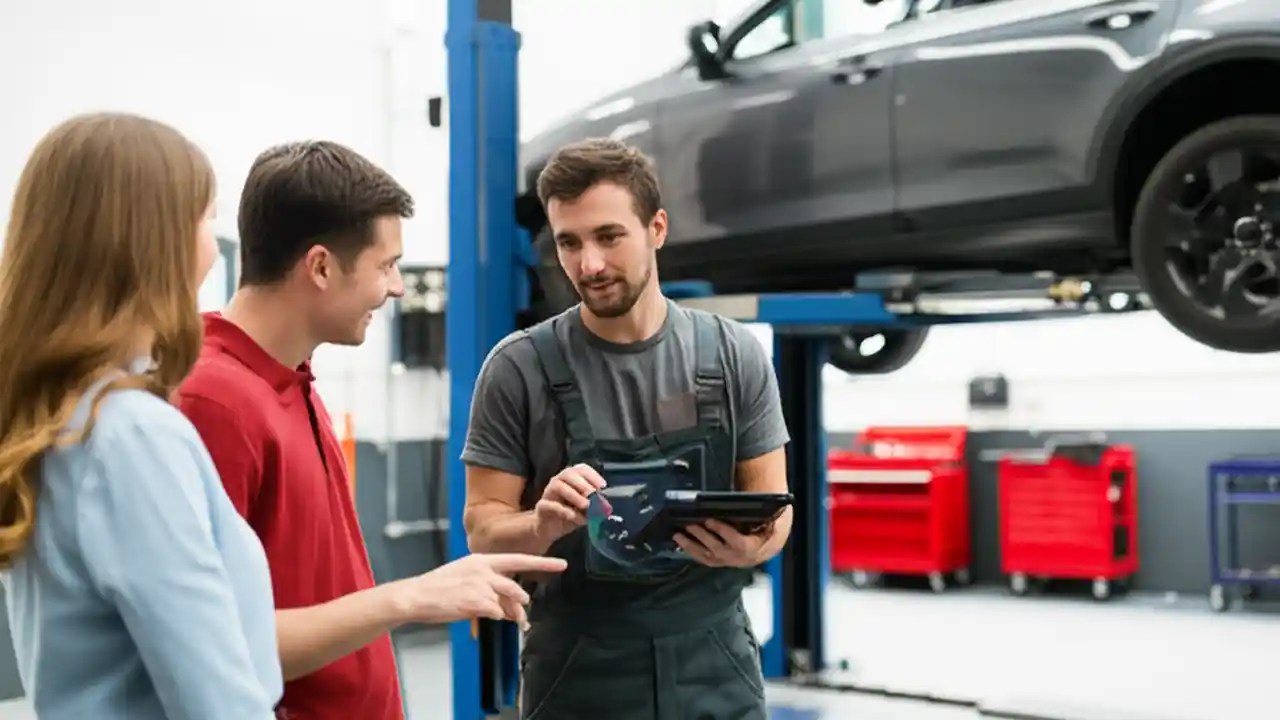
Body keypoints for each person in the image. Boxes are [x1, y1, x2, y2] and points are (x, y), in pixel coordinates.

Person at [174, 140, 566, 720]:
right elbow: (217, 643)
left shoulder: (292, 380)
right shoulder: (213, 403)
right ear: (321, 267)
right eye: (386, 265)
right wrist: (408, 598)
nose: (399, 288)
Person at [461, 137, 794, 719]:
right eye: (569, 242)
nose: (588, 265)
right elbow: (483, 531)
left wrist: (751, 545)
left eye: (608, 237)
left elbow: (777, 508)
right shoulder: (518, 369)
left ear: (656, 228)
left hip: (714, 662)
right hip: (579, 672)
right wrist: (539, 524)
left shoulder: (732, 355)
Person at [0, 112, 282, 718]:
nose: (214, 243)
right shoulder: (128, 435)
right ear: (157, 241)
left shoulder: (60, 419)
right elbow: (217, 700)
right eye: (207, 218)